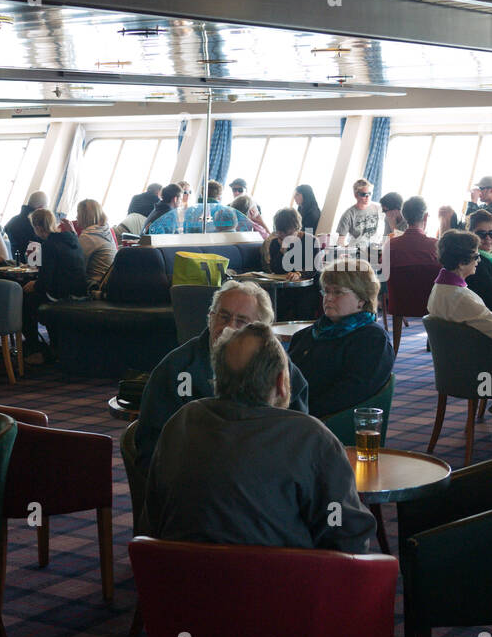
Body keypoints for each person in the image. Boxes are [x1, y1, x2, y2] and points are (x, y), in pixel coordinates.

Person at [144, 321, 378, 637]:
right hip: (282, 629)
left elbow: (156, 520)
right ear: (282, 380)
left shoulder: (181, 423)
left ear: (217, 379)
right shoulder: (311, 438)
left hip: (186, 620)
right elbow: (348, 542)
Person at [133, 281, 309, 473]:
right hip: (196, 479)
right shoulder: (176, 369)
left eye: (242, 321)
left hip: (269, 474)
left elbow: (299, 435)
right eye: (223, 317)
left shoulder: (280, 367)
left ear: (261, 331)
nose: (229, 328)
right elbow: (152, 448)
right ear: (210, 318)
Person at [287, 260, 394, 417]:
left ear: (361, 299)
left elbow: (351, 393)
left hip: (326, 424)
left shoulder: (372, 339)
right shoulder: (307, 335)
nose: (328, 298)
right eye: (326, 291)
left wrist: (298, 414)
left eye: (337, 292)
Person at [22, 208, 88, 363]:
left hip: (61, 294)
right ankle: (54, 346)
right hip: (80, 292)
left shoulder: (49, 246)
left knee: (24, 304)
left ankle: (37, 350)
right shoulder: (72, 238)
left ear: (37, 227)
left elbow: (45, 283)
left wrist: (34, 284)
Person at [388, 196, 441, 270]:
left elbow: (382, 271)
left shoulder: (390, 245)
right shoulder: (437, 247)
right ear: (425, 217)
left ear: (404, 216)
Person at [75, 198, 117, 288]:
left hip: (95, 285)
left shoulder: (88, 236)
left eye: (78, 213)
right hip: (109, 282)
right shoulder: (104, 230)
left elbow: (77, 266)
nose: (76, 217)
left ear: (85, 216)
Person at [5, 190, 47, 262]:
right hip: (33, 266)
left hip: (18, 265)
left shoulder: (13, 221)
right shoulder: (37, 224)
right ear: (41, 208)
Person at [336, 178, 382, 245]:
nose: (368, 197)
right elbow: (340, 241)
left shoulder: (379, 208)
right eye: (364, 194)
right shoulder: (348, 215)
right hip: (357, 251)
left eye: (369, 193)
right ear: (356, 195)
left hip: (375, 249)